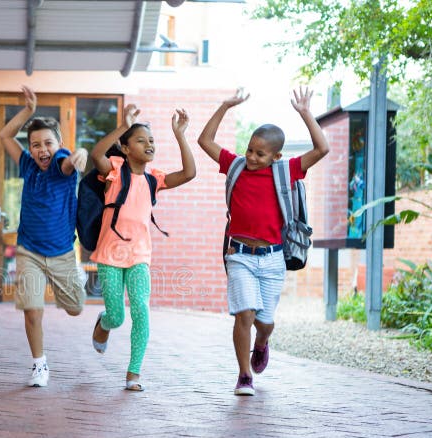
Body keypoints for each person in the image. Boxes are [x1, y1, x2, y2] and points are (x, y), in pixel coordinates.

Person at [197, 87, 329, 396]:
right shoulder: (236, 166)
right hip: (239, 255)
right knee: (245, 313)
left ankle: (262, 342)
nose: (252, 157)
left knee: (265, 321)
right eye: (250, 150)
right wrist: (225, 105)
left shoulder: (287, 171)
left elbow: (321, 149)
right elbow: (205, 141)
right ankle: (244, 375)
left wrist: (306, 113)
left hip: (273, 258)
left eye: (260, 153)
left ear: (276, 156)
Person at [89, 104, 196, 392]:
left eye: (151, 141)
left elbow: (189, 173)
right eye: (141, 140)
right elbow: (96, 154)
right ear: (125, 148)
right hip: (110, 254)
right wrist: (124, 125)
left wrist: (180, 135)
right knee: (117, 315)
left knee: (141, 310)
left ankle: (133, 372)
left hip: (140, 255)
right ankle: (104, 323)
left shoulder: (154, 179)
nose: (149, 144)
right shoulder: (115, 169)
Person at [0, 85, 88, 388]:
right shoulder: (27, 164)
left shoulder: (62, 164)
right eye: (36, 144)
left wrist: (79, 156)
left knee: (75, 308)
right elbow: (5, 137)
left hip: (62, 252)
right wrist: (27, 112)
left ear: (59, 143)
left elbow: (67, 162)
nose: (41, 149)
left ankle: (77, 278)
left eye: (48, 143)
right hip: (29, 251)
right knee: (32, 309)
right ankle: (39, 364)